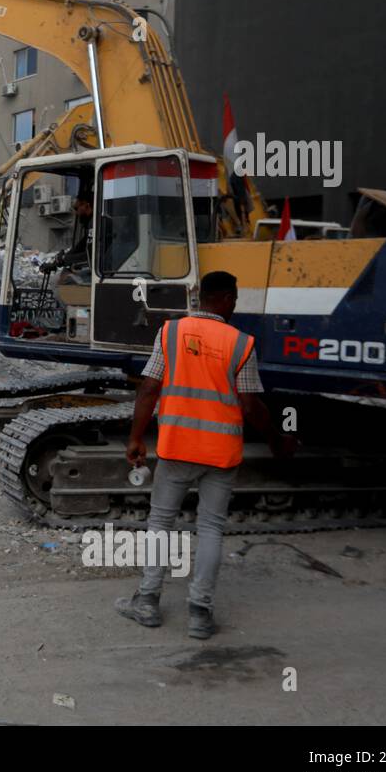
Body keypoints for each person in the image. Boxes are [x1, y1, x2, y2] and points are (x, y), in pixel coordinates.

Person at [118, 270, 295, 639]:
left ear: (200, 296)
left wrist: (136, 438)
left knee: (161, 524)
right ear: (229, 298)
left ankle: (147, 602)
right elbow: (250, 404)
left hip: (177, 448)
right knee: (211, 528)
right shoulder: (242, 343)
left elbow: (150, 388)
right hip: (220, 453)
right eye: (234, 299)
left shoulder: (170, 332)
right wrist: (277, 438)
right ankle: (200, 613)